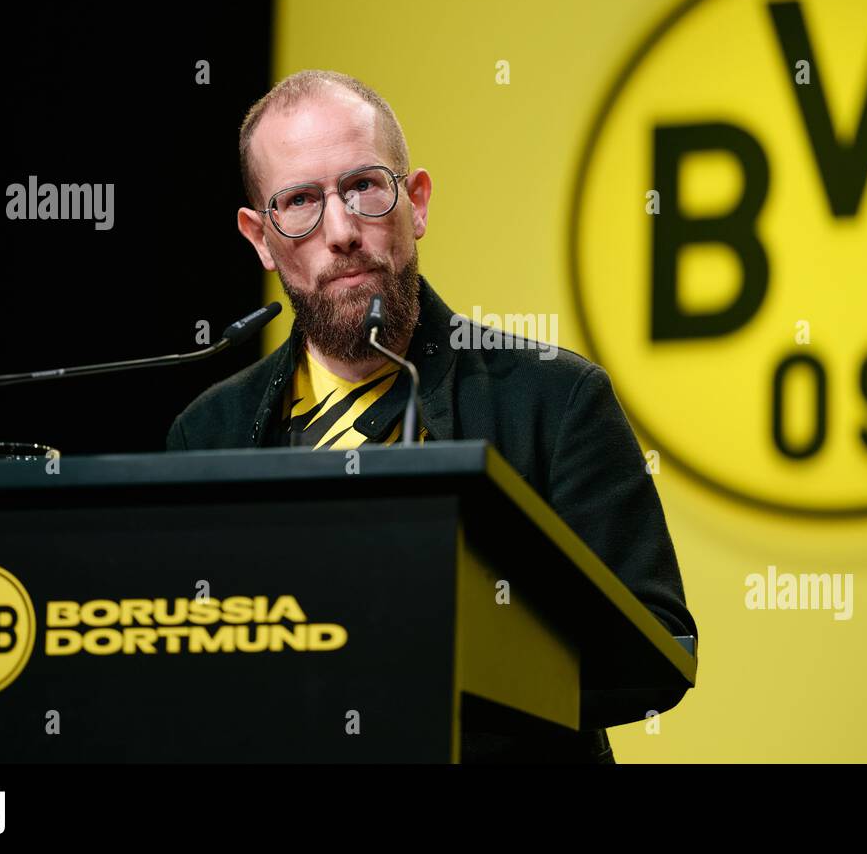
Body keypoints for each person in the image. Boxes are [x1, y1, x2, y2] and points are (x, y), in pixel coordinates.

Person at [166, 69, 697, 762]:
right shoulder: (208, 434)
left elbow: (657, 652)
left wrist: (424, 656)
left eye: (363, 186)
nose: (342, 230)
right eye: (299, 201)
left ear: (415, 202)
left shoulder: (554, 400)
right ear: (260, 238)